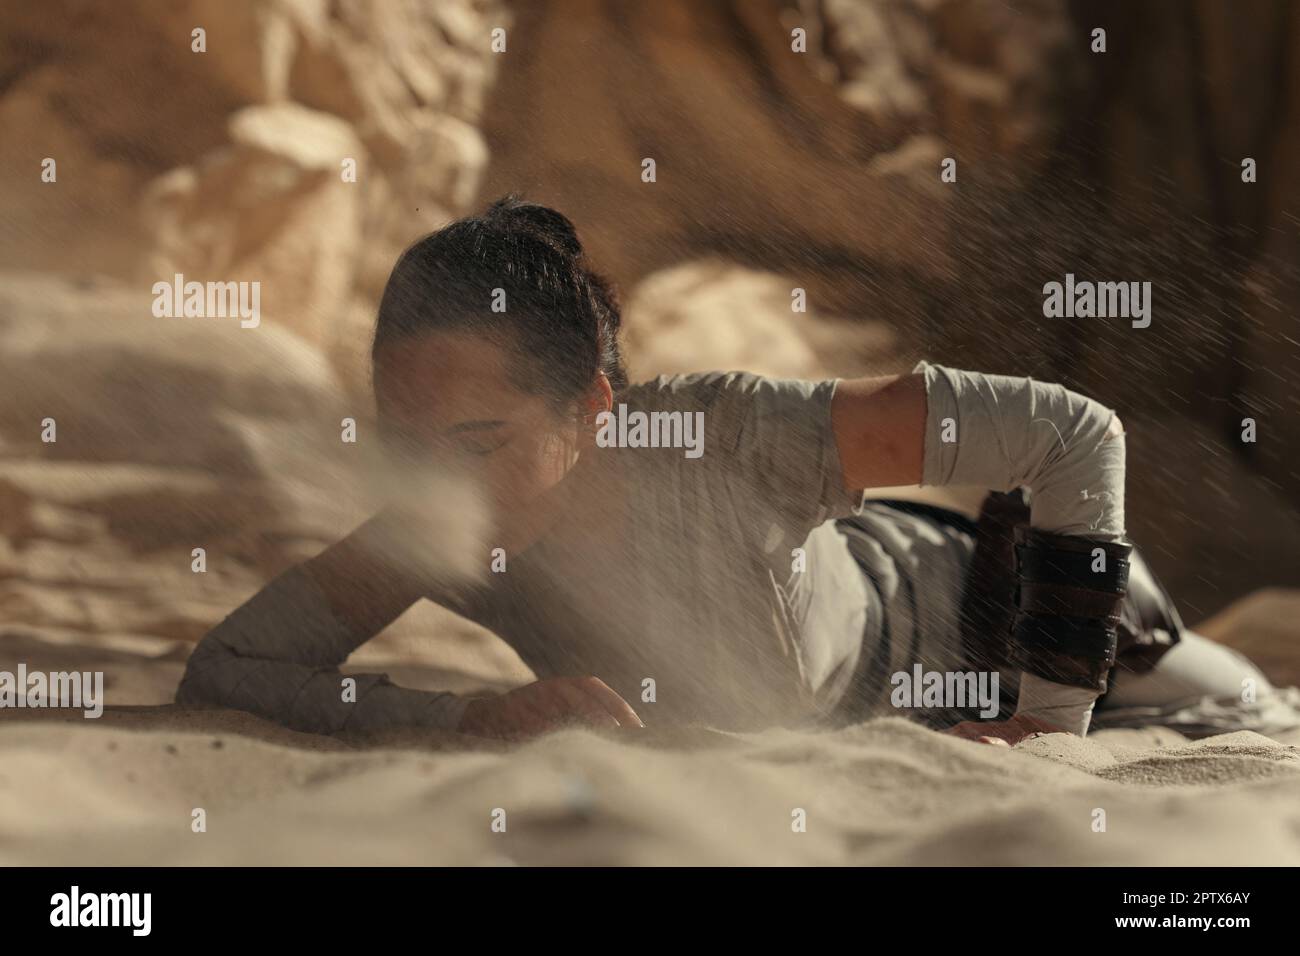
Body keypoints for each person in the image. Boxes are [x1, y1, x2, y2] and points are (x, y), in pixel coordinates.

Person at [175, 196, 1300, 746]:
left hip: (992, 619)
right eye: (403, 444)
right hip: (875, 723)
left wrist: (1049, 733)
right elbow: (231, 665)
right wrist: (470, 716)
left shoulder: (733, 435)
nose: (438, 490)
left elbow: (1074, 434)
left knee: (1247, 712)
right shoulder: (436, 517)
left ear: (594, 411)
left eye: (478, 445)